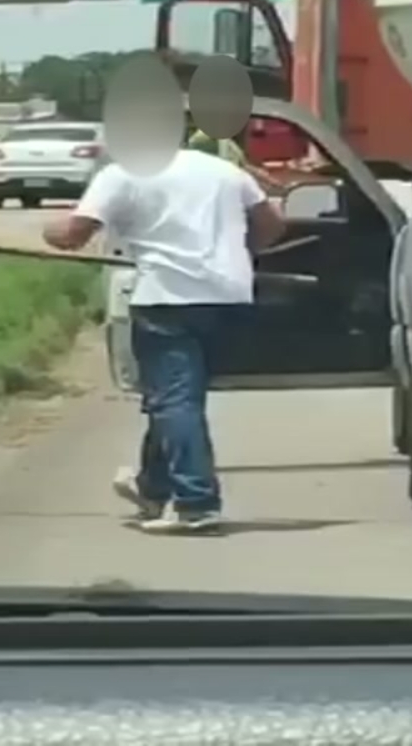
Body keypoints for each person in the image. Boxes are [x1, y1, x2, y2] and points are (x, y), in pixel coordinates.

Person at [43, 146, 287, 533]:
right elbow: (272, 224)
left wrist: (49, 230)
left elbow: (73, 236)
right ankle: (152, 486)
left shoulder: (123, 173)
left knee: (175, 400)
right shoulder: (225, 170)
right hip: (230, 297)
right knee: (176, 398)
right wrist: (241, 255)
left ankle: (196, 502)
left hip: (167, 297)